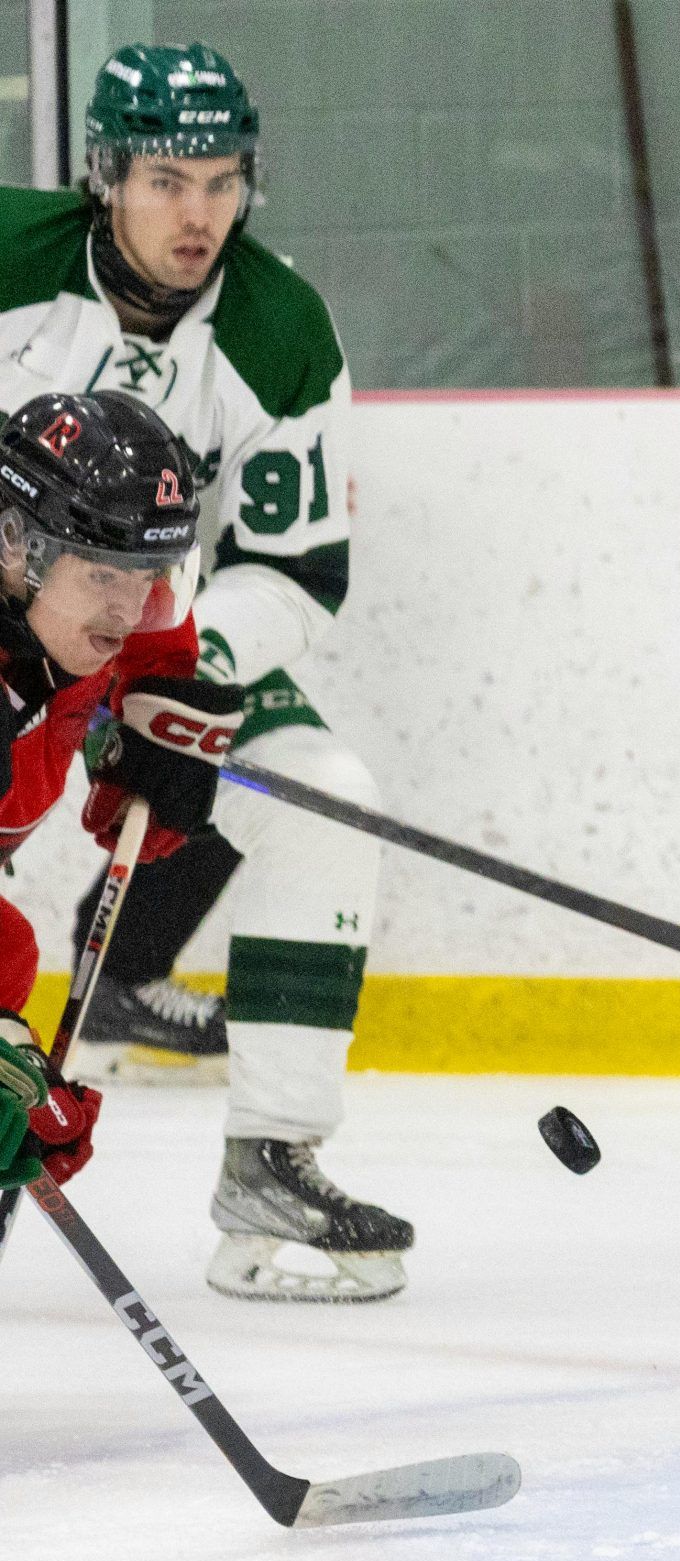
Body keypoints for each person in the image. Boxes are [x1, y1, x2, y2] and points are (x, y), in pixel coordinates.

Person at [0, 42, 408, 1301]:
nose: (199, 214)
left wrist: (178, 674)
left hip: (155, 634)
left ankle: (273, 1157)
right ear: (105, 173)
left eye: (225, 182)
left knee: (324, 795)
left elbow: (291, 568)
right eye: (170, 178)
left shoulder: (279, 330)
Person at [0, 392, 238, 1200]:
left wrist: (159, 715)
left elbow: (156, 642)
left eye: (150, 575)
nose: (130, 609)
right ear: (11, 543)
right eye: (105, 573)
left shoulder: (73, 612)